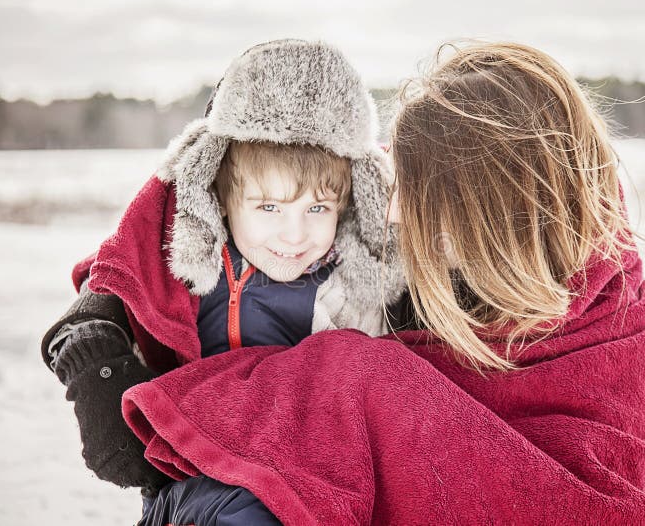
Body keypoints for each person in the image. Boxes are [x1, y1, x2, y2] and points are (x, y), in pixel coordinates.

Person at [40, 39, 406, 525]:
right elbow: (100, 299)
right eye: (268, 207)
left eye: (317, 208)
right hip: (199, 481)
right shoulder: (181, 247)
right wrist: (99, 372)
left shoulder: (364, 273)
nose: (294, 236)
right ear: (219, 193)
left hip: (319, 481)